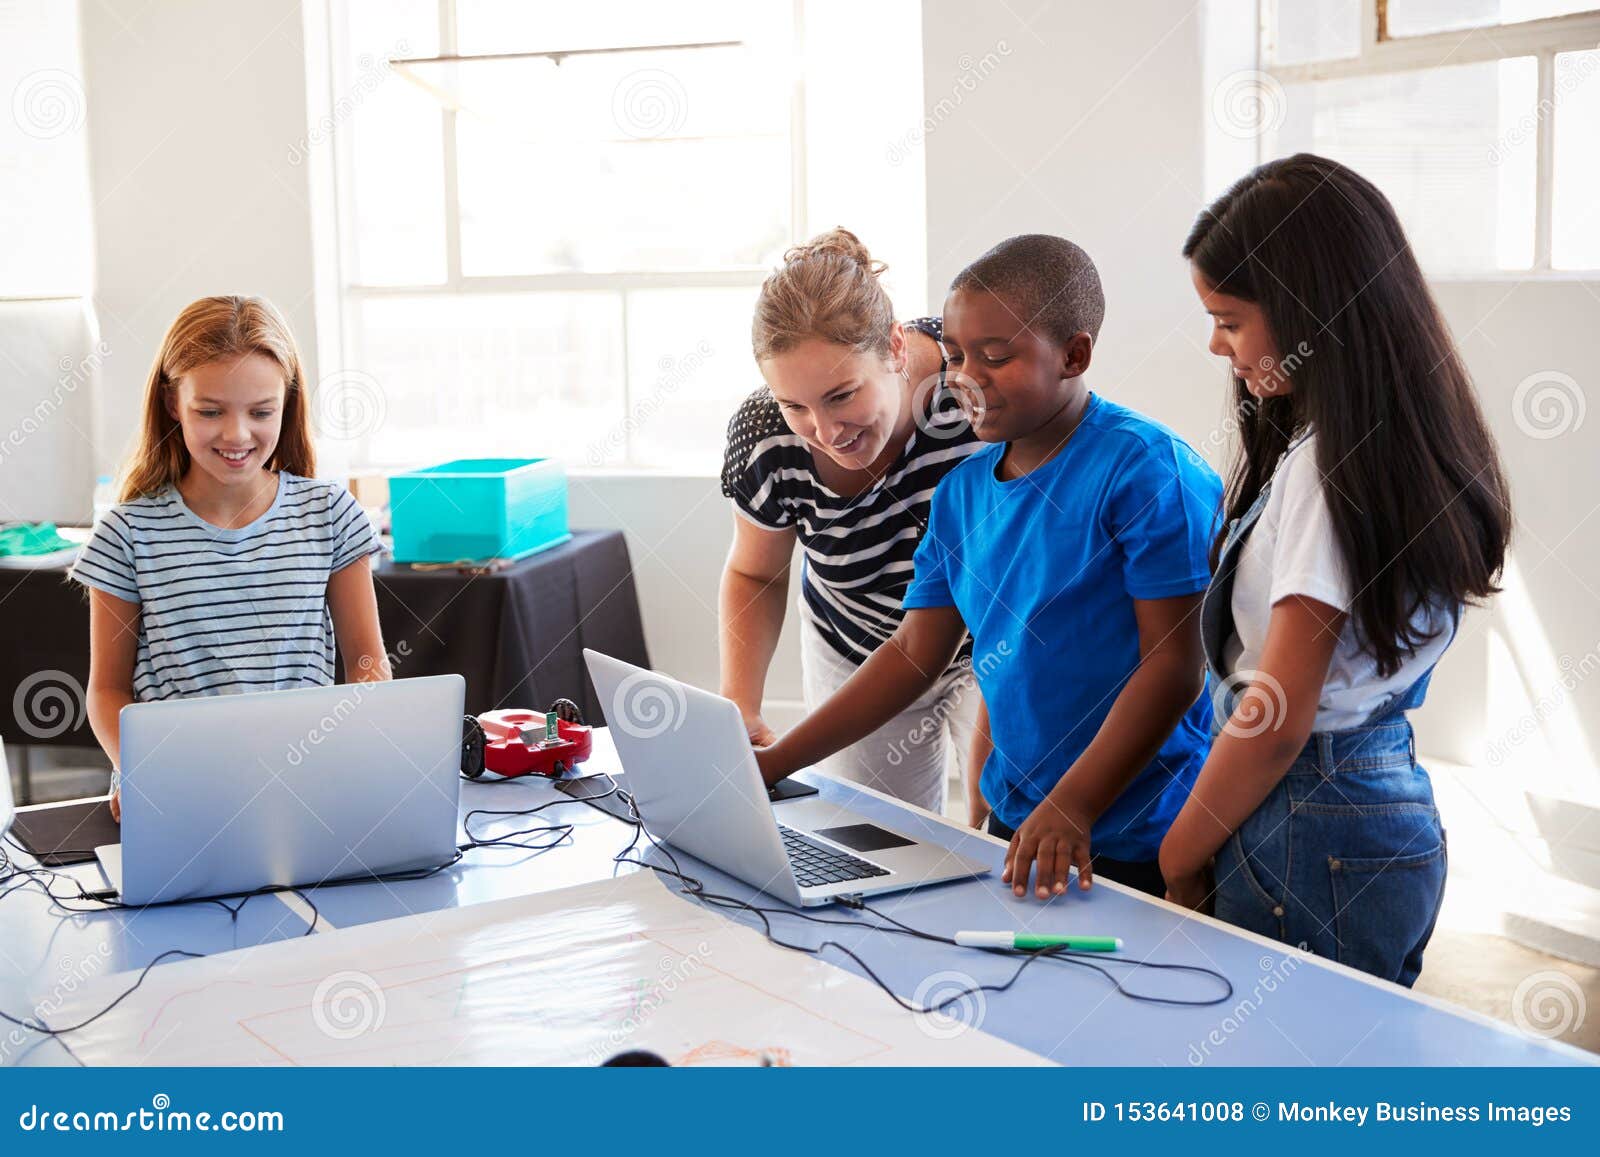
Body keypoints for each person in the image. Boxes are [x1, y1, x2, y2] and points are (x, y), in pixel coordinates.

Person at [756, 235, 1222, 898]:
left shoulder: (1148, 473)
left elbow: (1174, 667)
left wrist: (1074, 805)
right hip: (1025, 821)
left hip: (1143, 829)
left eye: (995, 358)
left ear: (1074, 354)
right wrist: (778, 760)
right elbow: (915, 653)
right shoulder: (963, 491)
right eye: (953, 356)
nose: (964, 378)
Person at [1161, 154, 1512, 985]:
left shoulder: (1325, 470)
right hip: (1379, 798)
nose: (1216, 344)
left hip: (1308, 823)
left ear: (1308, 307)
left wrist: (1182, 850)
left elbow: (1277, 714)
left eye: (1231, 319)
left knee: (1294, 1097)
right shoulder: (1400, 442)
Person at [70, 296, 389, 820]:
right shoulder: (127, 533)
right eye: (210, 411)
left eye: (260, 412)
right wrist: (142, 768)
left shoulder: (330, 513)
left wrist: (362, 754)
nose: (237, 435)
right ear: (174, 402)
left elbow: (367, 664)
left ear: (286, 404)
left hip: (307, 786)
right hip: (180, 790)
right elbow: (107, 689)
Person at [720, 228, 986, 816]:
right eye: (796, 405)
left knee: (1002, 825)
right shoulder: (766, 439)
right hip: (856, 645)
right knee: (872, 837)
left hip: (988, 643)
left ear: (894, 347)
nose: (824, 430)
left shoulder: (973, 386)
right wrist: (740, 702)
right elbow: (756, 572)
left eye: (842, 395)